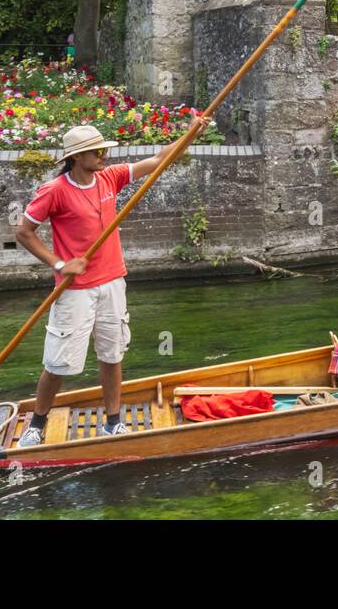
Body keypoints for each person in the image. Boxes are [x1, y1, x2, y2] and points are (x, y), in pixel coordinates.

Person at [14, 117, 211, 446]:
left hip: (112, 282)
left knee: (112, 353)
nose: (104, 155)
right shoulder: (55, 191)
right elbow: (23, 232)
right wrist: (61, 263)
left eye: (103, 149)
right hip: (74, 289)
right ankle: (37, 422)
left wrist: (190, 134)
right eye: (96, 151)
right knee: (59, 362)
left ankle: (113, 422)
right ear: (76, 157)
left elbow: (160, 160)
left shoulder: (110, 178)